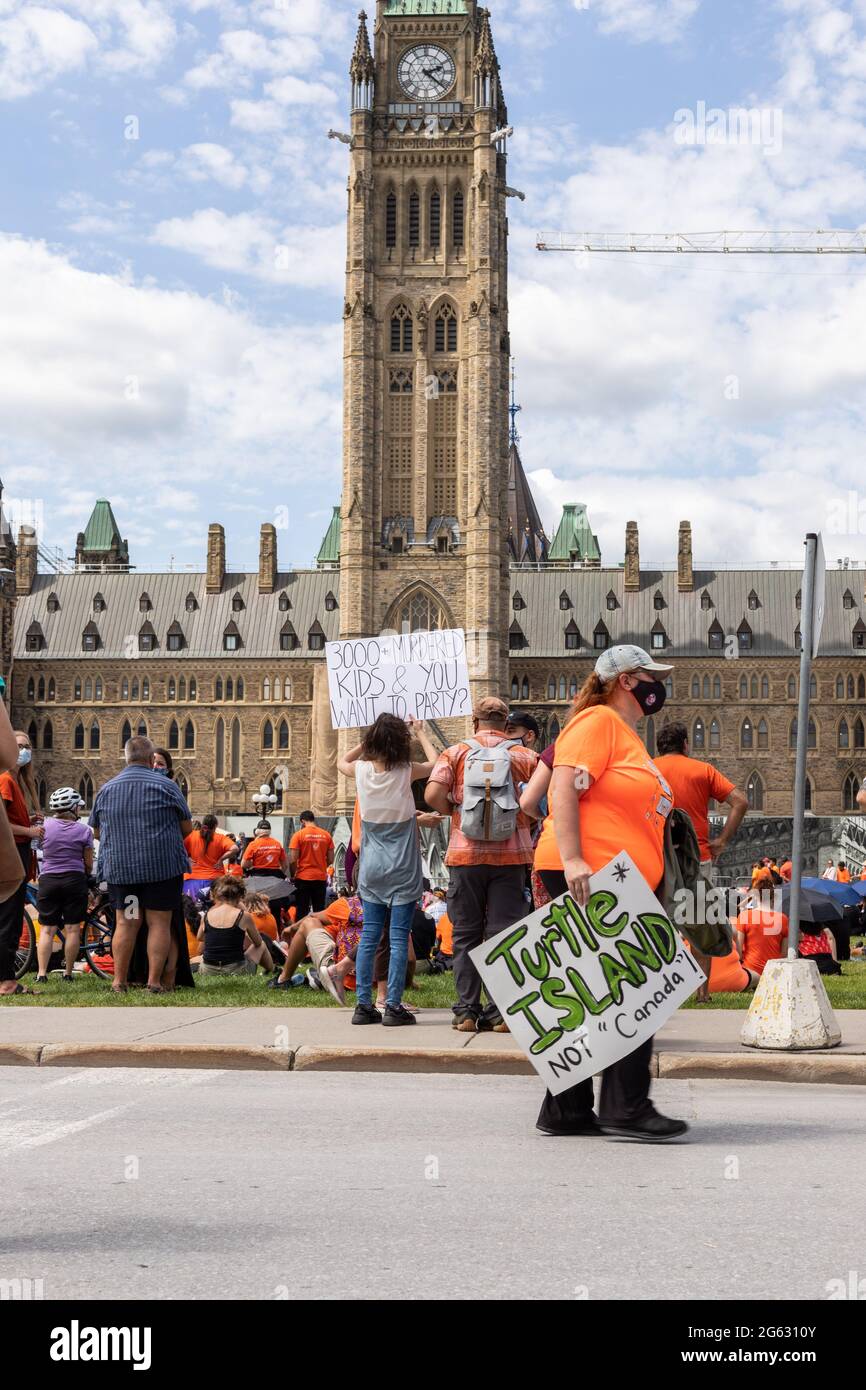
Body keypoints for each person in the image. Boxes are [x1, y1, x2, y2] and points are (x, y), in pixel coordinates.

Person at [533, 644, 688, 1142]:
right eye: (650, 674)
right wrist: (575, 856)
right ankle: (626, 1106)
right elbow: (559, 789)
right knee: (636, 985)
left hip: (608, 870)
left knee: (595, 991)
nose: (657, 683)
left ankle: (568, 1109)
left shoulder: (622, 733)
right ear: (625, 680)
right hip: (592, 869)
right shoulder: (597, 722)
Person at [426, 696, 538, 1033]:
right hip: (513, 857)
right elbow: (540, 800)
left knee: (465, 934)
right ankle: (501, 1013)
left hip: (465, 856)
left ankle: (467, 1013)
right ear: (506, 724)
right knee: (504, 934)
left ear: (475, 722)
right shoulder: (524, 756)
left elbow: (432, 795)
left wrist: (455, 814)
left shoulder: (456, 752)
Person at [339, 714, 438, 1026]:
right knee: (397, 937)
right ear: (399, 743)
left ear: (373, 743)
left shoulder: (361, 771)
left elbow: (342, 760)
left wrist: (366, 743)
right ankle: (393, 1006)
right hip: (402, 867)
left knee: (369, 935)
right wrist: (421, 732)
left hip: (371, 867)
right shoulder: (405, 771)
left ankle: (363, 1005)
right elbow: (436, 763)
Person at [654, 720, 749, 1002]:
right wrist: (722, 841)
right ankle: (702, 994)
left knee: (657, 923)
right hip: (697, 858)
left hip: (656, 856)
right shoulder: (703, 770)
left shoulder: (647, 769)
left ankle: (661, 993)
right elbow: (741, 801)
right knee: (700, 922)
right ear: (685, 744)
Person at [90, 735, 193, 994]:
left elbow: (97, 832)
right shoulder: (167, 786)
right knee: (159, 923)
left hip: (123, 872)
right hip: (161, 869)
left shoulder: (107, 788)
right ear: (151, 759)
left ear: (125, 758)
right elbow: (186, 827)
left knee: (127, 922)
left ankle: (119, 982)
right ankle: (154, 982)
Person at [35, 787, 95, 983]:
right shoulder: (85, 830)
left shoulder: (44, 826)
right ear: (72, 808)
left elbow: (38, 850)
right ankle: (68, 973)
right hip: (74, 880)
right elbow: (88, 864)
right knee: (72, 929)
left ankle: (41, 973)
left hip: (49, 880)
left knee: (46, 929)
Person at [0, 725, 43, 997]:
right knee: (8, 922)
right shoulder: (5, 780)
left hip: (19, 858)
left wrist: (28, 822)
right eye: (19, 745)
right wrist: (29, 831)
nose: (24, 751)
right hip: (9, 859)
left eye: (27, 746)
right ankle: (6, 982)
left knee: (12, 921)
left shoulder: (18, 783)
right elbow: (2, 824)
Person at [270, 895, 364, 1002]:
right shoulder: (385, 909)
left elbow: (313, 917)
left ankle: (283, 979)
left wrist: (291, 929)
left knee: (309, 923)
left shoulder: (349, 904)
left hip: (345, 980)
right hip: (380, 980)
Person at [197, 876, 274, 976]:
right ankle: (273, 970)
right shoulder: (243, 915)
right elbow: (258, 942)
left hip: (208, 970)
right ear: (240, 897)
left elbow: (200, 937)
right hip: (236, 970)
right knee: (262, 945)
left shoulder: (207, 915)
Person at [288, 811, 334, 917]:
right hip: (320, 878)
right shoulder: (326, 835)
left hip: (303, 878)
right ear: (313, 819)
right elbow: (331, 859)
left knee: (302, 910)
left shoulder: (298, 835)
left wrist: (293, 875)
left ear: (303, 821)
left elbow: (293, 860)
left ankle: (301, 932)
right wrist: (321, 865)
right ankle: (318, 932)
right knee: (319, 910)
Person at [183, 815, 236, 900]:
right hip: (214, 880)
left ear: (203, 824)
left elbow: (177, 846)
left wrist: (186, 858)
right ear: (215, 826)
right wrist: (221, 859)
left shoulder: (192, 835)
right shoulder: (220, 838)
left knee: (191, 907)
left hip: (192, 878)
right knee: (214, 909)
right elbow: (235, 848)